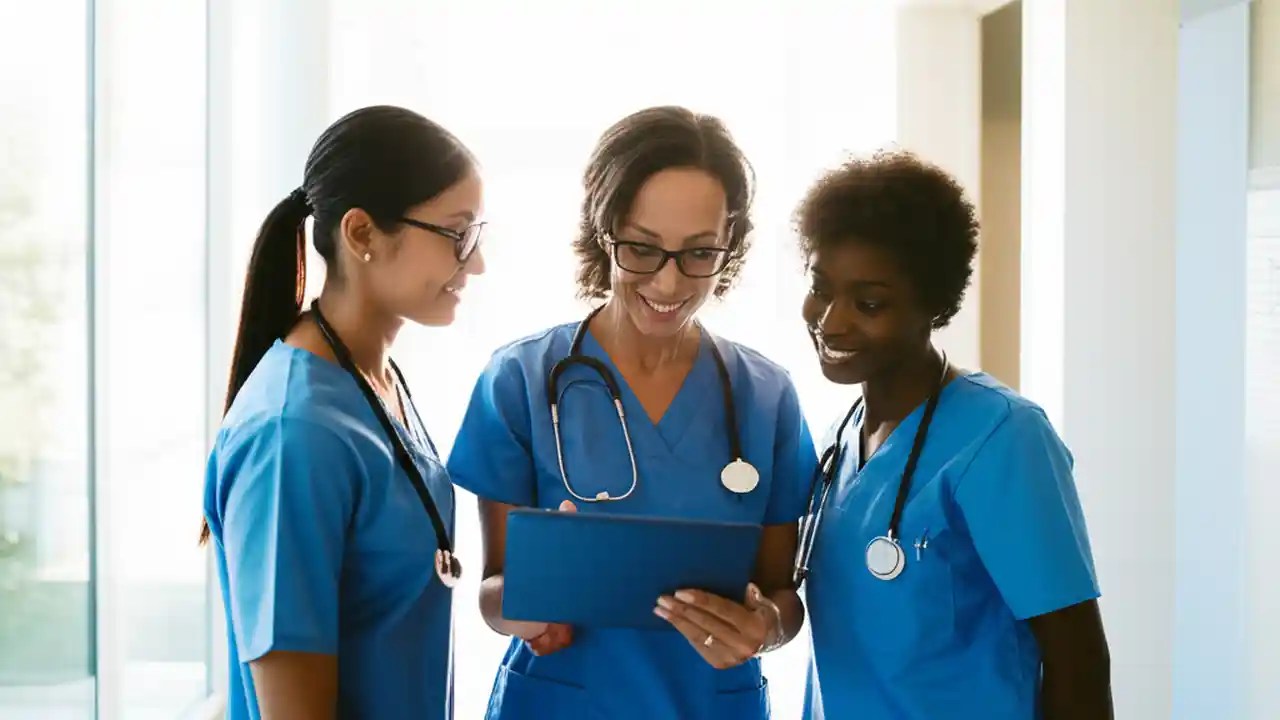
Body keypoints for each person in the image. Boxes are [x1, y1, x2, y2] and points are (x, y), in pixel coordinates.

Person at [446, 105, 817, 719]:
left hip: (712, 704)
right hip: (561, 702)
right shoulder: (522, 380)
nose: (669, 285)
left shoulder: (765, 396)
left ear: (732, 242)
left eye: (699, 253)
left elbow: (783, 596)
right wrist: (532, 606)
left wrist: (765, 626)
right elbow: (494, 593)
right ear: (604, 229)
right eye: (642, 249)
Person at [793, 150, 1113, 719]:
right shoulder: (840, 441)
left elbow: (1078, 660)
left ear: (933, 304)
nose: (831, 320)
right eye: (821, 288)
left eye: (869, 303)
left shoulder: (1003, 437)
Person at [201, 105, 485, 720]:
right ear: (361, 235)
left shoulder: (373, 381)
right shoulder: (292, 433)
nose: (477, 262)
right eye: (458, 234)